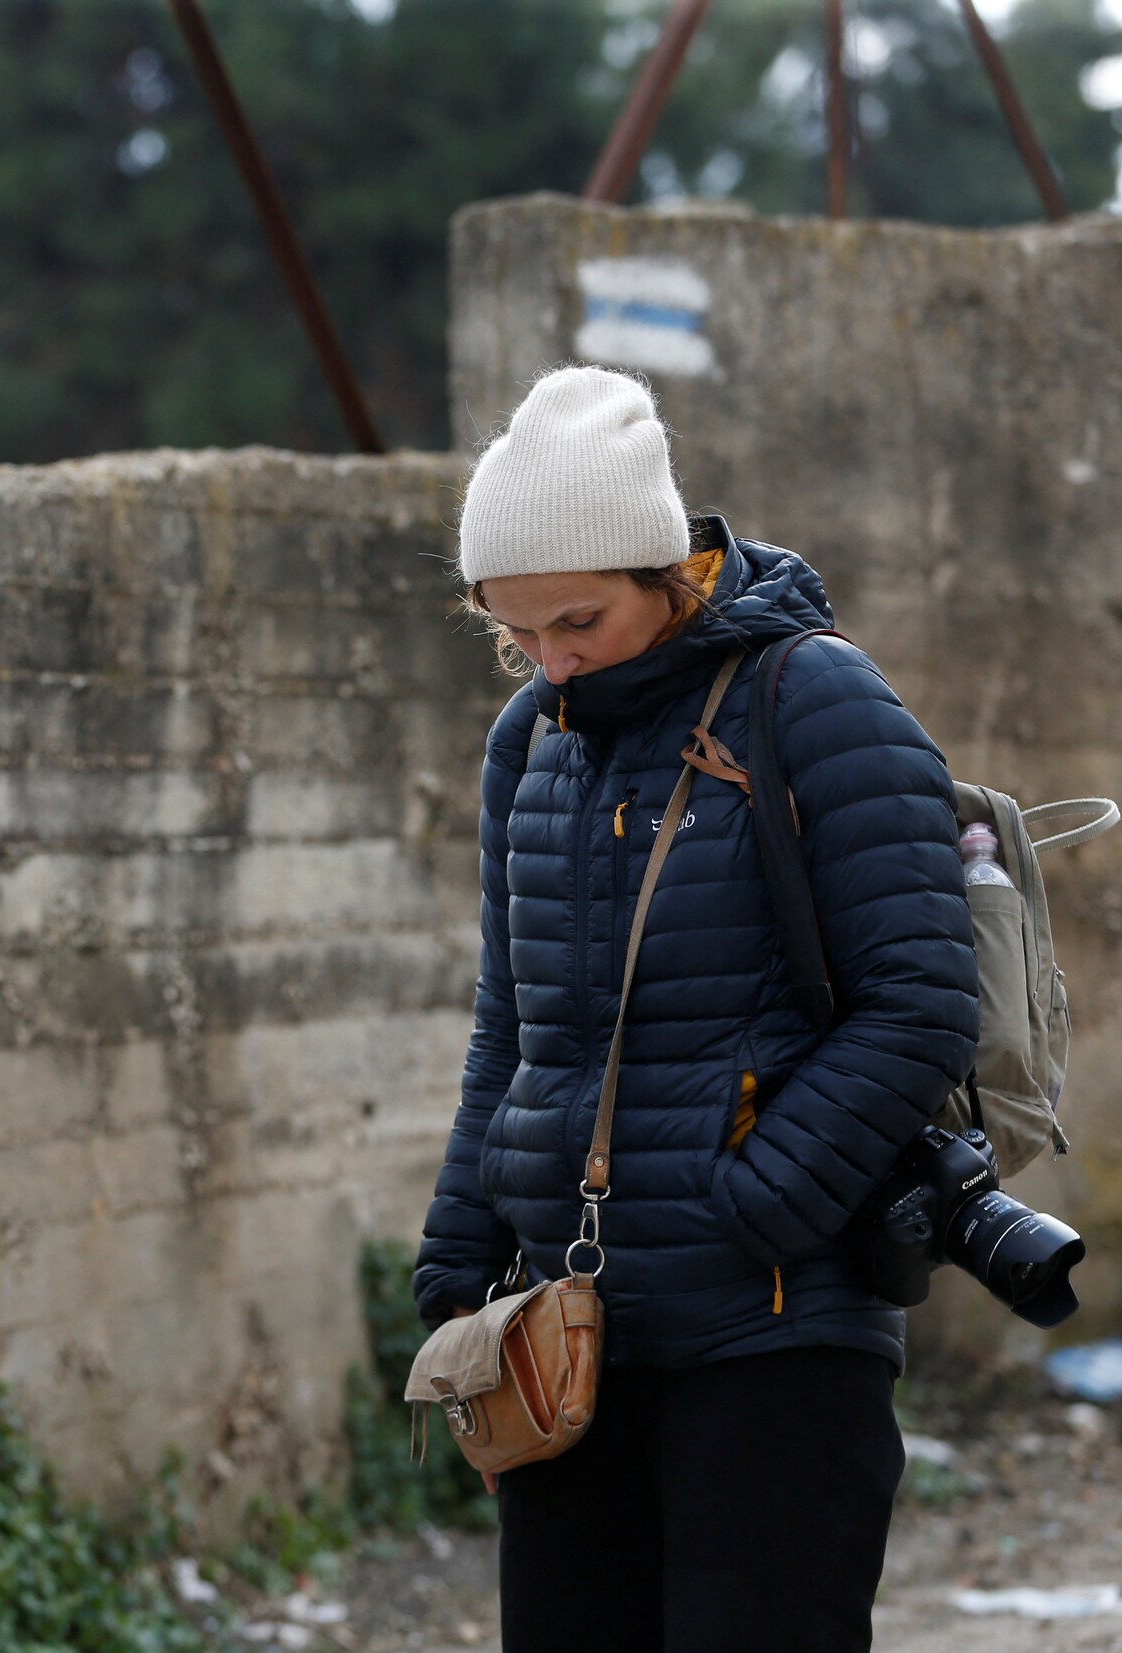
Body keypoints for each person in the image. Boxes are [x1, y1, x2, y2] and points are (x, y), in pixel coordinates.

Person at [413, 365, 979, 1652]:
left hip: (772, 1332)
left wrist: (755, 1203)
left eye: (579, 622)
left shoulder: (815, 697)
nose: (550, 662)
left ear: (666, 578)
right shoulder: (528, 739)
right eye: (516, 635)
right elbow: (511, 1024)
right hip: (562, 1333)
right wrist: (456, 1271)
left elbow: (919, 1002)